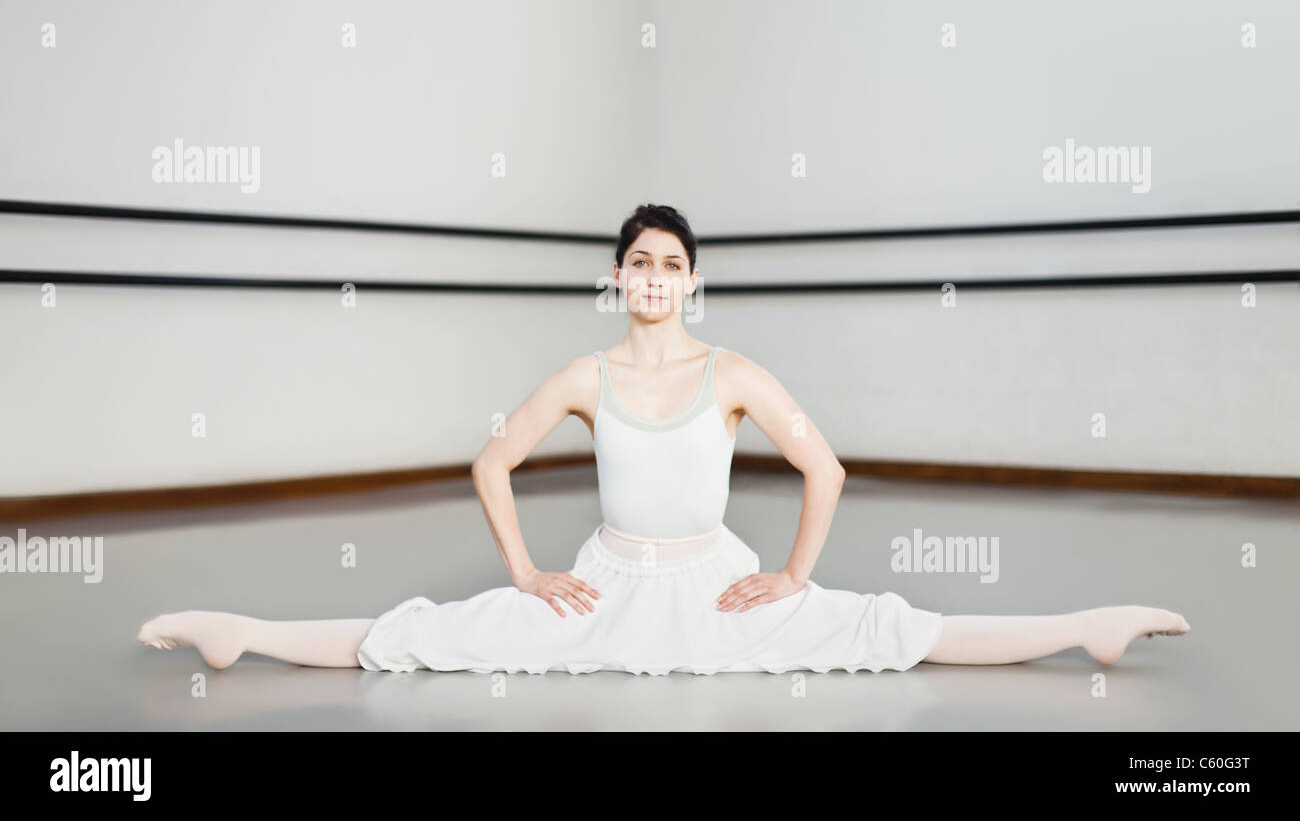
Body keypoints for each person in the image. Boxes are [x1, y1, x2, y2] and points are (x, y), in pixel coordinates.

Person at [137, 203, 1190, 672]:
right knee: (438, 633)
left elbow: (824, 465)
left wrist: (790, 574)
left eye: (668, 261)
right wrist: (525, 570)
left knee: (878, 626)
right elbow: (489, 458)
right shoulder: (583, 375)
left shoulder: (730, 371)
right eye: (635, 260)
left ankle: (1083, 626)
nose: (651, 274)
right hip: (601, 580)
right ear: (616, 276)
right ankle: (244, 630)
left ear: (693, 277)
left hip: (719, 581)